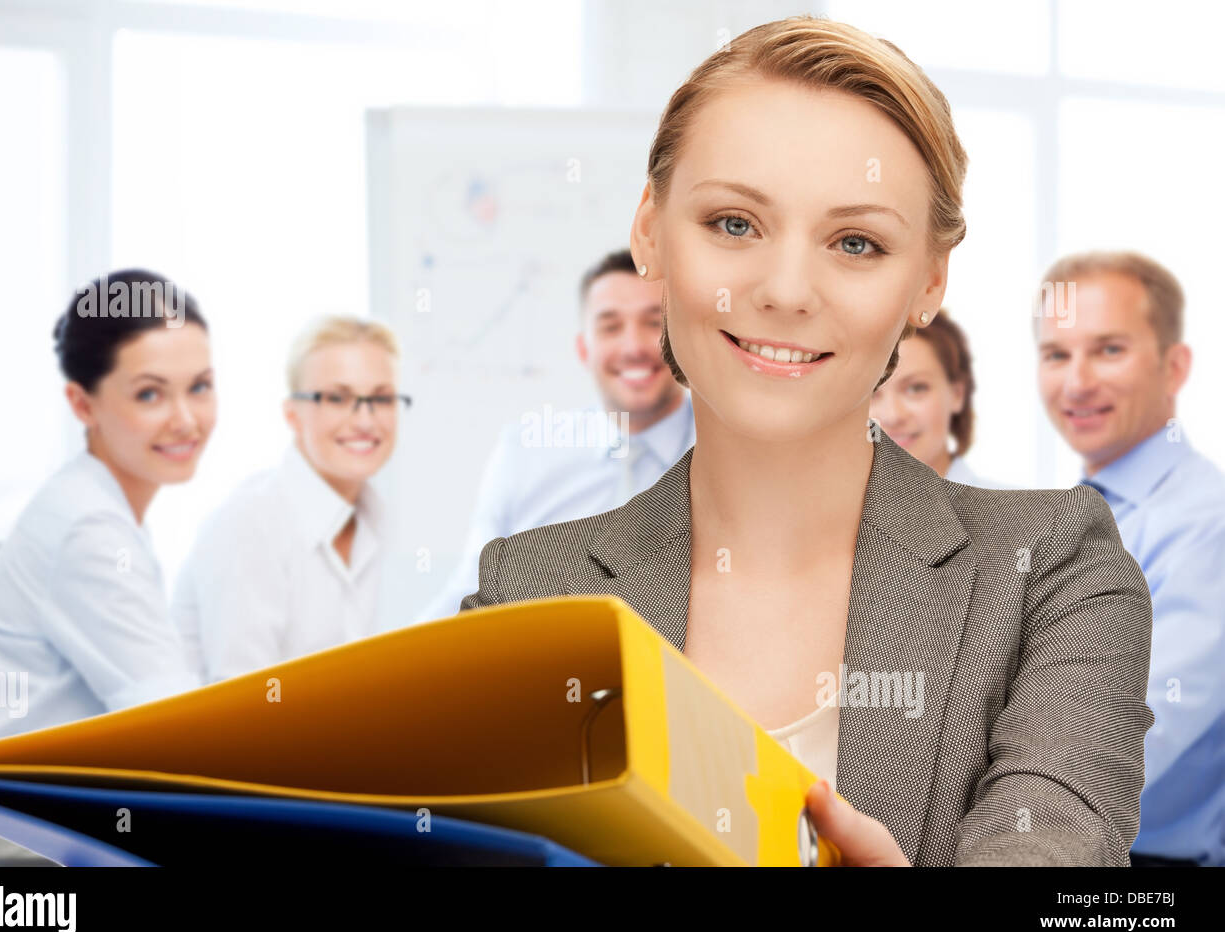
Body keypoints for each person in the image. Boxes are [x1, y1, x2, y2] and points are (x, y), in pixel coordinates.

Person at [460, 16, 1154, 866]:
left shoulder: (1054, 571)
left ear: (929, 280)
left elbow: (1065, 869)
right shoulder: (527, 599)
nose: (786, 291)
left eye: (855, 242)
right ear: (650, 230)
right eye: (733, 224)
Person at [0, 269, 212, 860]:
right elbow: (175, 725)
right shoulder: (89, 527)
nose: (186, 419)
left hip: (34, 809)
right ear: (82, 403)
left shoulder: (103, 506)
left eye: (201, 386)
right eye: (151, 394)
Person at [1035, 250, 1225, 867]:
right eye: (1057, 354)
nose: (1076, 382)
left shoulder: (1208, 525)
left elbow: (1125, 741)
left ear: (1175, 367)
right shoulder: (1061, 517)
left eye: (1108, 350)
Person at [417, 249, 695, 622]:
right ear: (584, 349)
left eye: (653, 322)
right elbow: (469, 591)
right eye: (611, 327)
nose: (634, 347)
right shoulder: (526, 451)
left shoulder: (732, 448)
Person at [173, 317, 404, 683]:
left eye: (381, 397)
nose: (365, 420)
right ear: (293, 415)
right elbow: (247, 708)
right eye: (337, 398)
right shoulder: (249, 525)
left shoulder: (375, 520)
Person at [869, 309, 1009, 487]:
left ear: (957, 394)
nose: (893, 416)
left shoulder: (1023, 512)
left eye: (915, 388)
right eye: (871, 391)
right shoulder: (834, 509)